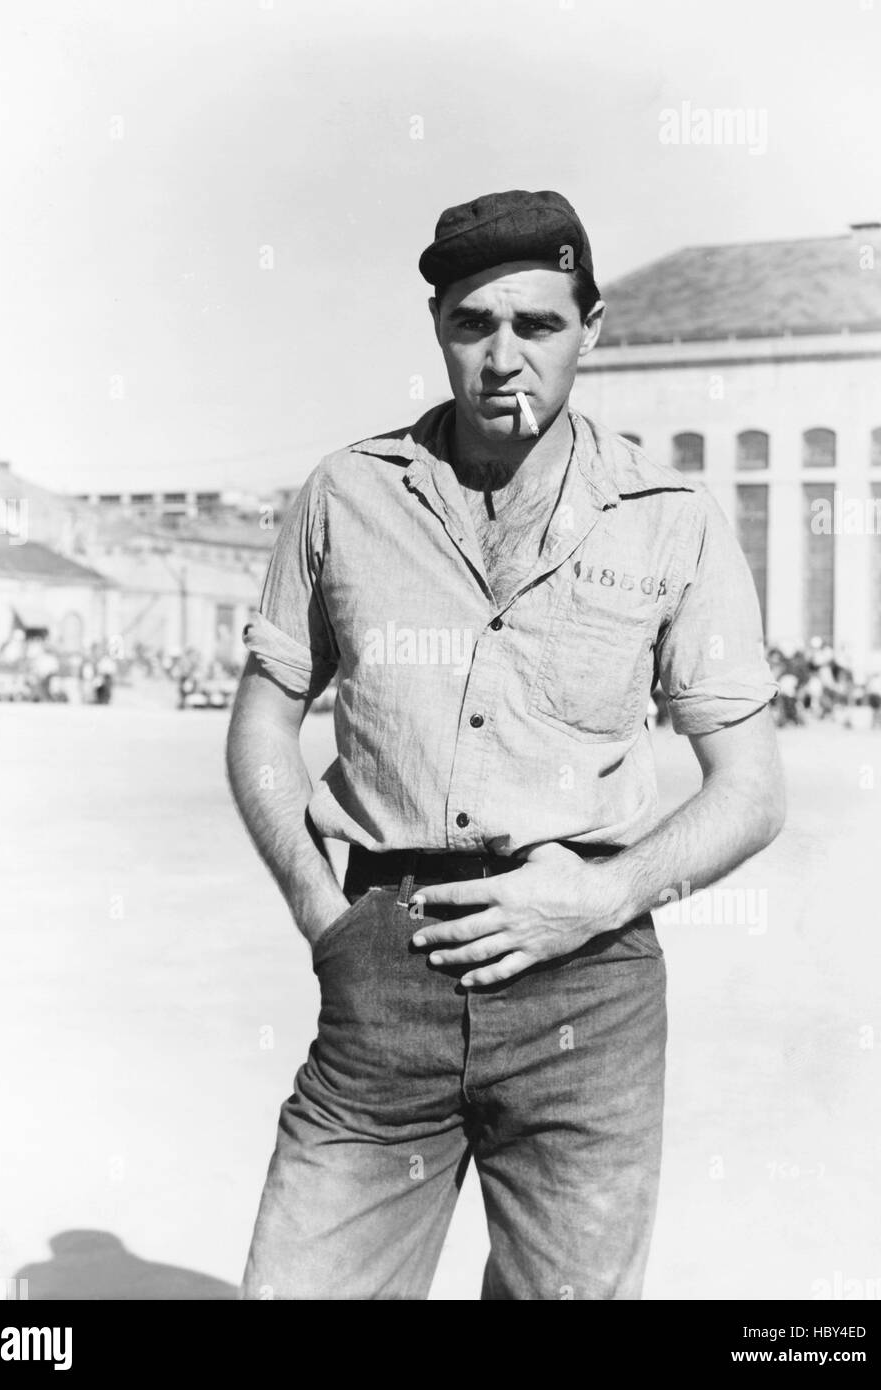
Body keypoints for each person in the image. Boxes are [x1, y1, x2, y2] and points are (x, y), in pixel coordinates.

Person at [226, 188, 785, 1301]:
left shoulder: (669, 514)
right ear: (436, 327)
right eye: (471, 325)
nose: (501, 358)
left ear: (591, 329)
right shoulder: (347, 494)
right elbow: (264, 716)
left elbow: (752, 789)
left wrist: (601, 896)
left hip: (587, 982)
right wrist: (318, 908)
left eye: (535, 325)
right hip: (385, 967)